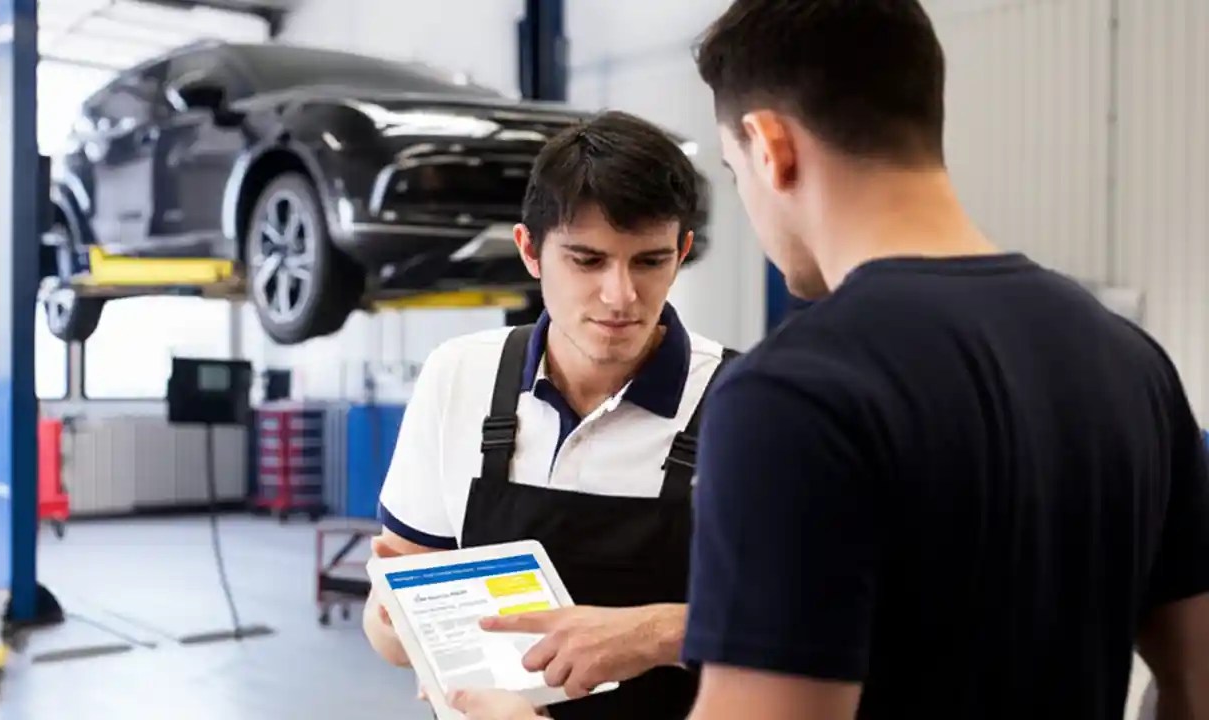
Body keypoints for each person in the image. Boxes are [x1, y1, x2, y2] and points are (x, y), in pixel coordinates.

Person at [448, 1, 1209, 719]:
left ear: (772, 147)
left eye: (734, 168)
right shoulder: (1130, 361)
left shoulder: (793, 393)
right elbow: (1196, 681)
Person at [363, 109, 738, 720]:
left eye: (649, 261)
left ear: (683, 252)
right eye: (586, 261)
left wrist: (659, 634)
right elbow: (389, 630)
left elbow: (805, 627)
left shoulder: (743, 402)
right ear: (530, 251)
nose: (620, 297)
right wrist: (399, 624)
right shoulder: (460, 375)